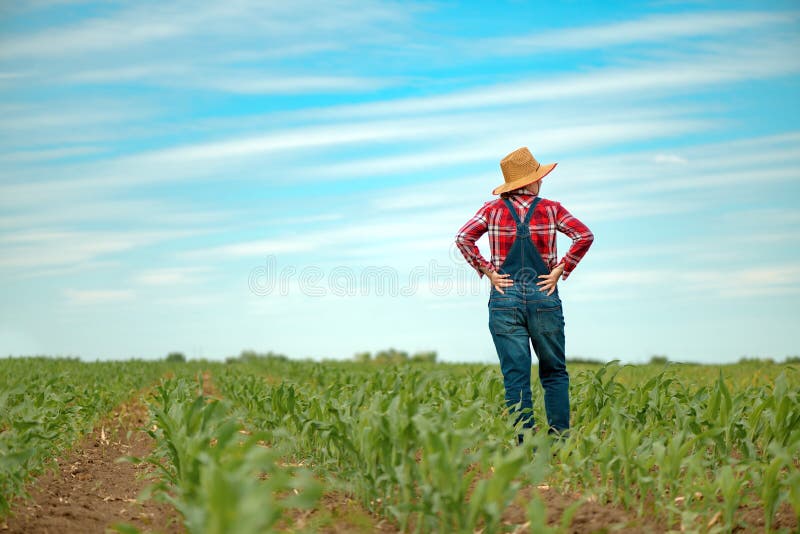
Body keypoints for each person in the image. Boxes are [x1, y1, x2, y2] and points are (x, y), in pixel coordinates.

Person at [455, 147, 593, 445]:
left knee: (516, 376)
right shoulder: (553, 208)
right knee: (554, 371)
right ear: (531, 182)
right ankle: (559, 442)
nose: (541, 182)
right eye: (539, 177)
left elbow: (463, 238)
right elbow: (584, 235)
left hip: (504, 298)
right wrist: (559, 270)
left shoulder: (490, 210)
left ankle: (524, 445)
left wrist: (489, 271)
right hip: (544, 295)